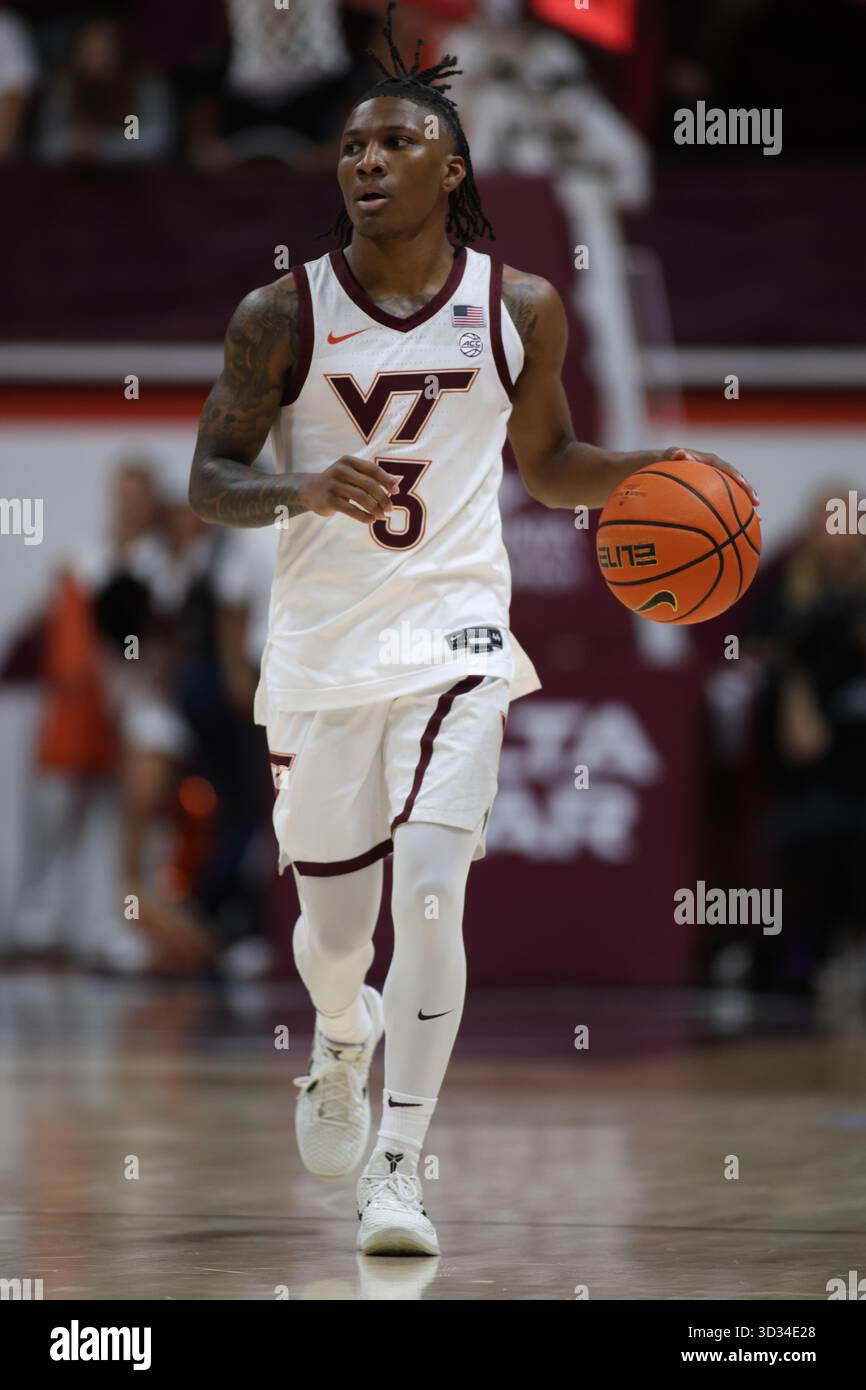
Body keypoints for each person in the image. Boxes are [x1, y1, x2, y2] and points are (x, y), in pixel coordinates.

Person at [188, 0, 755, 1256]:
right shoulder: (277, 315)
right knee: (336, 945)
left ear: (452, 167)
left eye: (393, 145)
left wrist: (650, 470)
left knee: (432, 898)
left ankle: (397, 1165)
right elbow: (208, 482)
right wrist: (293, 488)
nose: (367, 165)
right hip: (322, 653)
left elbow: (545, 467)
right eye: (349, 150)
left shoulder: (524, 305)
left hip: (455, 631)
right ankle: (341, 1034)